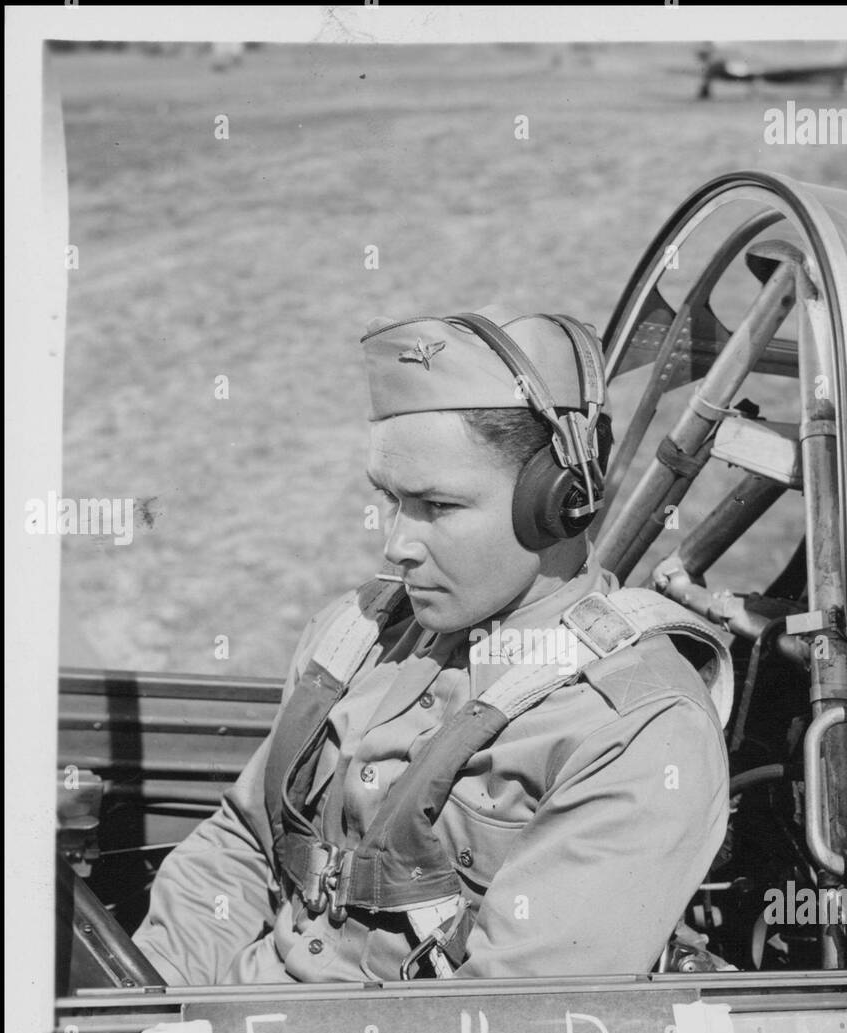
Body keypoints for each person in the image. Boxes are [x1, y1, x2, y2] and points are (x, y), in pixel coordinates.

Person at [133, 305, 731, 986]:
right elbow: (243, 843)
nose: (396, 544)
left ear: (559, 503)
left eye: (438, 508)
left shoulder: (632, 731)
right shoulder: (356, 634)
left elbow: (505, 1029)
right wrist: (149, 1007)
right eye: (387, 499)